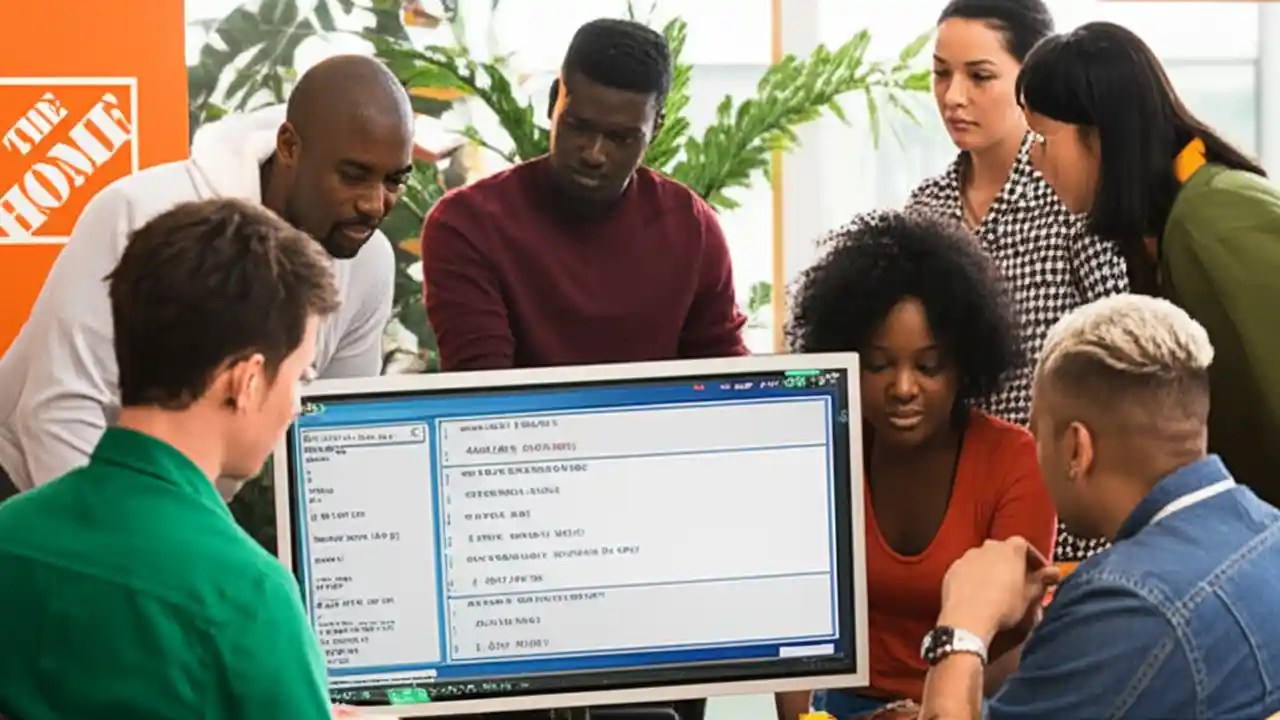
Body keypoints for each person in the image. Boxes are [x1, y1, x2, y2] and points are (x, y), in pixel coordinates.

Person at [0, 54, 414, 499]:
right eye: (354, 176)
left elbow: (331, 445)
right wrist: (131, 558)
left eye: (394, 181)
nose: (375, 203)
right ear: (290, 147)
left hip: (177, 516)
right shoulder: (143, 212)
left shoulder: (368, 261)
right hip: (29, 495)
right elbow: (59, 411)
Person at [0, 198, 341, 719]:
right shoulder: (248, 597)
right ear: (245, 382)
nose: (296, 405)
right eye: (300, 377)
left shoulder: (9, 537)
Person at [832, 0, 1128, 563]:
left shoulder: (1076, 199)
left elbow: (1121, 364)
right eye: (941, 72)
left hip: (1072, 522)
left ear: (1030, 79)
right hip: (954, 521)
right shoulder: (926, 208)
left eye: (979, 76)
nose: (953, 95)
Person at [918, 294, 1280, 719]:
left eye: (1037, 433)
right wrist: (1045, 636)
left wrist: (963, 622)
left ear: (1076, 448)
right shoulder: (1267, 531)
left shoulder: (1128, 604)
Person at [776, 211, 1056, 719]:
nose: (903, 389)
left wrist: (932, 706)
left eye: (928, 367)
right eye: (879, 365)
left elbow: (1015, 642)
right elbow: (795, 628)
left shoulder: (1015, 463)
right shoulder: (822, 451)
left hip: (972, 699)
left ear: (965, 366)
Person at [1017, 21, 1280, 510]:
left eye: (1043, 138)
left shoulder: (1212, 221)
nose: (1033, 160)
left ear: (1099, 136)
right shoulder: (1174, 226)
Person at [421, 17, 748, 372]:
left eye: (621, 138)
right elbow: (484, 395)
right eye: (578, 126)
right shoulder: (468, 226)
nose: (594, 154)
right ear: (553, 104)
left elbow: (723, 374)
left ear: (655, 130)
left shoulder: (692, 227)